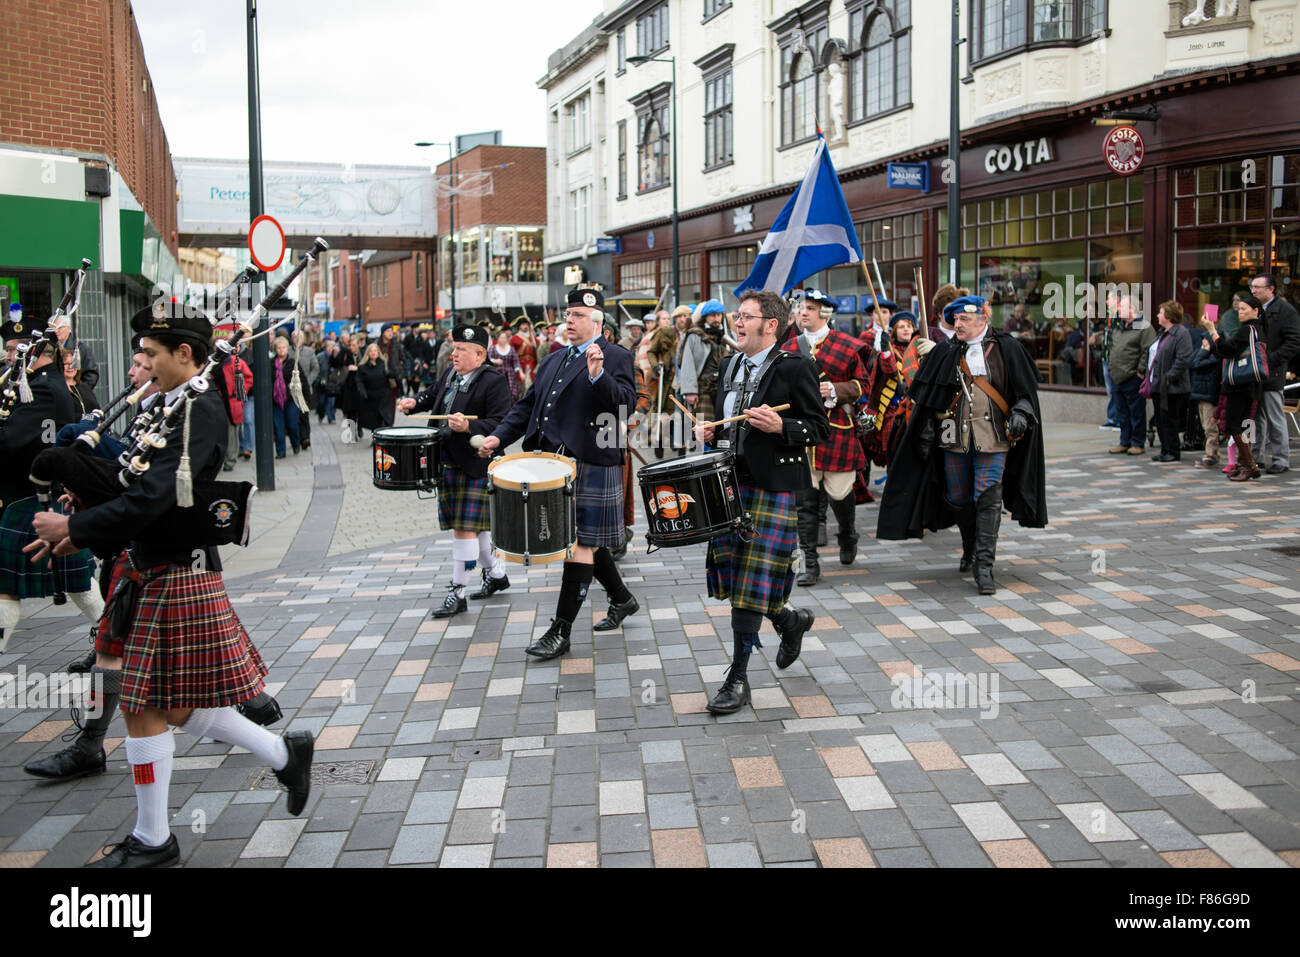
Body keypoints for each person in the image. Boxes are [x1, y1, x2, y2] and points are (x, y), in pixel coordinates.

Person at [24, 301, 312, 867]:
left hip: (177, 569)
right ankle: (283, 754)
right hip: (148, 567)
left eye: (151, 356)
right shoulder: (169, 404)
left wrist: (77, 528)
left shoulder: (200, 411)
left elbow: (155, 497)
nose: (144, 366)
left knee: (147, 705)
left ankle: (155, 840)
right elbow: (128, 477)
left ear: (185, 355)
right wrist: (74, 481)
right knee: (171, 708)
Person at [479, 287, 639, 656]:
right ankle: (622, 599)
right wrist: (496, 437)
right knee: (584, 541)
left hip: (592, 461)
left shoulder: (615, 356)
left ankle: (561, 630)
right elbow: (527, 406)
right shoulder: (553, 360)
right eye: (567, 315)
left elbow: (624, 407)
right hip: (553, 464)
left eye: (578, 316)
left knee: (578, 545)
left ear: (597, 322)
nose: (569, 320)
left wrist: (600, 377)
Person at [693, 290, 829, 713]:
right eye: (738, 315)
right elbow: (727, 422)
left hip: (768, 487)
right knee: (739, 578)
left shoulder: (796, 367)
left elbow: (819, 428)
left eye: (746, 316)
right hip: (727, 485)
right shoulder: (731, 363)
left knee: (749, 587)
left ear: (771, 325)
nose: (737, 321)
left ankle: (738, 676)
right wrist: (711, 430)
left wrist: (781, 426)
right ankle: (792, 620)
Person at [877, 295, 1047, 595]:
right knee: (958, 497)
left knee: (988, 495)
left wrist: (1021, 412)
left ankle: (984, 566)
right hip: (951, 436)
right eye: (955, 320)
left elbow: (1024, 393)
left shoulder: (1007, 347)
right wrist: (925, 429)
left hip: (994, 437)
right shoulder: (944, 351)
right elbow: (925, 397)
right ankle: (969, 546)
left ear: (983, 319)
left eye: (965, 319)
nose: (958, 324)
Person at [0, 316, 101, 653]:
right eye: (10, 349)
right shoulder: (40, 382)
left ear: (39, 353)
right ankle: (112, 637)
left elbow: (12, 441)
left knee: (11, 586)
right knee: (79, 583)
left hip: (31, 496)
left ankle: (114, 640)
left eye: (18, 349)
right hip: (35, 494)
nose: (11, 355)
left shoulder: (43, 387)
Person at [399, 325, 512, 616]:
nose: (454, 354)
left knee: (464, 530)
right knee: (477, 530)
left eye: (460, 349)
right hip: (447, 461)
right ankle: (497, 576)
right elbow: (434, 393)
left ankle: (457, 592)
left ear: (479, 354)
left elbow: (503, 422)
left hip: (474, 464)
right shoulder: (451, 375)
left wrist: (470, 427)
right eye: (454, 348)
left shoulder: (493, 381)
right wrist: (414, 403)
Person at [780, 289, 868, 586]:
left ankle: (847, 534)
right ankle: (810, 563)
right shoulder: (790, 347)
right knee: (804, 503)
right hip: (802, 435)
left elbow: (861, 384)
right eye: (801, 308)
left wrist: (836, 390)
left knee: (841, 496)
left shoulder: (847, 346)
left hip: (836, 432)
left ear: (825, 313)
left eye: (809, 309)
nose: (802, 313)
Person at [1201, 295, 1268, 482]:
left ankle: (1250, 466)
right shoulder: (1258, 329)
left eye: (1245, 309)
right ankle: (1245, 464)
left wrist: (1212, 331)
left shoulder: (1248, 330)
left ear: (1256, 311)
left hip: (1240, 384)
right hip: (1252, 384)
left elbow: (1227, 350)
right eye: (1239, 309)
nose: (1240, 312)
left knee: (1233, 424)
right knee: (1245, 424)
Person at [1249, 274, 1300, 474]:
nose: (1253, 291)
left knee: (1274, 415)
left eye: (1257, 287)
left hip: (1273, 371)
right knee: (1257, 416)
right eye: (1252, 287)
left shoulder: (1285, 311)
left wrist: (1272, 359)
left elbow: (1294, 342)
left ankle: (1281, 459)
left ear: (1271, 289)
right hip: (1255, 371)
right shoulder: (1255, 310)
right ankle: (1257, 456)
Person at [1106, 296, 1155, 456]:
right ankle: (1124, 441)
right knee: (1122, 412)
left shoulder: (1144, 327)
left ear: (1132, 308)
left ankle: (1137, 443)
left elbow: (1147, 350)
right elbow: (1113, 346)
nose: (1118, 309)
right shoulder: (1119, 326)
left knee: (1136, 412)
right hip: (1117, 377)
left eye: (1122, 307)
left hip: (1133, 377)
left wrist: (1140, 372)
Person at [1146, 300, 1194, 463]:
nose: (1158, 315)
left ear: (1168, 316)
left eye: (1160, 312)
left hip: (1172, 387)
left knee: (1170, 419)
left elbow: (1183, 358)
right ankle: (1164, 449)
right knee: (1160, 419)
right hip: (1158, 384)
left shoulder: (1181, 333)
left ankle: (1173, 450)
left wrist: (1169, 378)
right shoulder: (1162, 332)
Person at [677, 300, 728, 426]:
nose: (716, 318)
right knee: (703, 428)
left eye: (719, 315)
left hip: (723, 389)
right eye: (712, 315)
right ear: (705, 317)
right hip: (702, 390)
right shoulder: (695, 335)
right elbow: (687, 363)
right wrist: (690, 391)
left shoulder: (726, 336)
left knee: (723, 427)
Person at [210, 336, 253, 472]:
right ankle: (221, 459)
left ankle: (230, 459)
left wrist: (239, 391)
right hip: (217, 401)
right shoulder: (211, 364)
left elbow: (248, 378)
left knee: (231, 431)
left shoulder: (235, 362)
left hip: (232, 401)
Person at [1188, 311, 1223, 468]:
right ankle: (1213, 453)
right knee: (1205, 425)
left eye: (1205, 343)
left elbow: (1197, 363)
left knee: (1210, 427)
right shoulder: (1202, 353)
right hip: (1200, 394)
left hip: (1210, 395)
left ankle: (1212, 454)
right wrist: (1203, 349)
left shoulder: (1214, 358)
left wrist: (1205, 350)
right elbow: (1192, 362)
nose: (1202, 346)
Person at [270, 334, 301, 458]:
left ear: (287, 349)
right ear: (275, 349)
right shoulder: (271, 363)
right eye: (279, 348)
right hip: (276, 399)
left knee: (292, 424)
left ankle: (295, 442)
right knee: (279, 427)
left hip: (290, 398)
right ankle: (280, 451)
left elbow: (301, 379)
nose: (281, 350)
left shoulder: (292, 362)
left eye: (284, 347)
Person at [50, 314, 99, 392]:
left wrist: (79, 392)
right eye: (53, 328)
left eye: (59, 327)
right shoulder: (48, 349)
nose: (56, 331)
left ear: (68, 328)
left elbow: (91, 375)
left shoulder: (81, 348)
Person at [356, 342, 394, 438]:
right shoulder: (362, 367)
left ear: (378, 352)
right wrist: (363, 391)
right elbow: (359, 380)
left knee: (384, 417)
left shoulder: (384, 363)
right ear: (368, 353)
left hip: (384, 395)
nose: (373, 353)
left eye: (375, 351)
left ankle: (383, 436)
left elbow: (394, 374)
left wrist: (389, 373)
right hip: (371, 396)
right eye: (371, 351)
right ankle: (376, 437)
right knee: (374, 420)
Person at [292, 330, 317, 451]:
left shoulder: (309, 352)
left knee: (304, 414)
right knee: (294, 415)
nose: (297, 339)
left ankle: (305, 438)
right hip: (292, 388)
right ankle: (297, 439)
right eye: (295, 337)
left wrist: (308, 381)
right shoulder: (288, 351)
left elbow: (315, 368)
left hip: (305, 388)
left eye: (299, 337)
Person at [488, 328, 523, 403]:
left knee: (512, 394)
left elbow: (516, 361)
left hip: (510, 374)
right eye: (501, 338)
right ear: (498, 338)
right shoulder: (493, 348)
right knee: (498, 392)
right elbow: (488, 360)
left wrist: (520, 372)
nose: (503, 340)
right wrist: (495, 361)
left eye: (505, 338)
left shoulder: (511, 349)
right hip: (497, 373)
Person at [62, 348, 99, 416]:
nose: (70, 367)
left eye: (73, 363)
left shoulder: (84, 387)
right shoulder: (59, 389)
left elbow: (97, 409)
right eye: (66, 364)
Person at [510, 316, 538, 391]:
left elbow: (537, 351)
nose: (525, 326)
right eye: (523, 324)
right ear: (519, 326)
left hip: (532, 364)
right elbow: (512, 354)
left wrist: (532, 333)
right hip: (520, 364)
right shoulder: (514, 338)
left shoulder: (533, 337)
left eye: (526, 324)